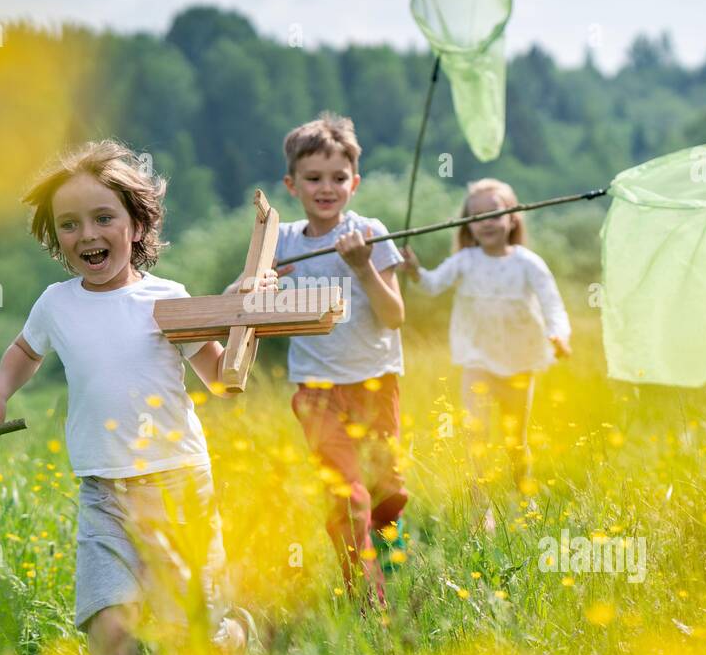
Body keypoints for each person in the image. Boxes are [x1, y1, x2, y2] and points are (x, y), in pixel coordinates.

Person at [0, 140, 258, 655]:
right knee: (109, 628)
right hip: (103, 493)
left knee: (193, 634)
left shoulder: (167, 300)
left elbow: (224, 381)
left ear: (136, 222)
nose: (88, 235)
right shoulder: (56, 304)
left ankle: (236, 638)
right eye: (69, 224)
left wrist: (239, 315)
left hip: (178, 485)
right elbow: (24, 351)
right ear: (56, 236)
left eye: (104, 218)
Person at [233, 112, 408, 608]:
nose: (326, 188)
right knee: (347, 497)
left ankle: (395, 573)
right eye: (313, 179)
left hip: (375, 383)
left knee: (387, 495)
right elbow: (237, 300)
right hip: (315, 391)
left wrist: (362, 267)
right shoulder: (279, 241)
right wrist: (254, 284)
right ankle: (368, 600)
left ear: (355, 182)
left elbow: (394, 315)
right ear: (292, 184)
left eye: (337, 179)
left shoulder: (369, 233)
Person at [401, 178, 570, 530]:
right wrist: (415, 270)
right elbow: (433, 285)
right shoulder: (465, 261)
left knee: (515, 440)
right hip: (477, 359)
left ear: (513, 219)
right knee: (475, 435)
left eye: (494, 213)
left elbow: (552, 302)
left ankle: (525, 499)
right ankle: (482, 510)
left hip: (520, 360)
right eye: (477, 216)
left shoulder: (528, 263)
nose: (486, 222)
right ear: (468, 224)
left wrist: (558, 334)